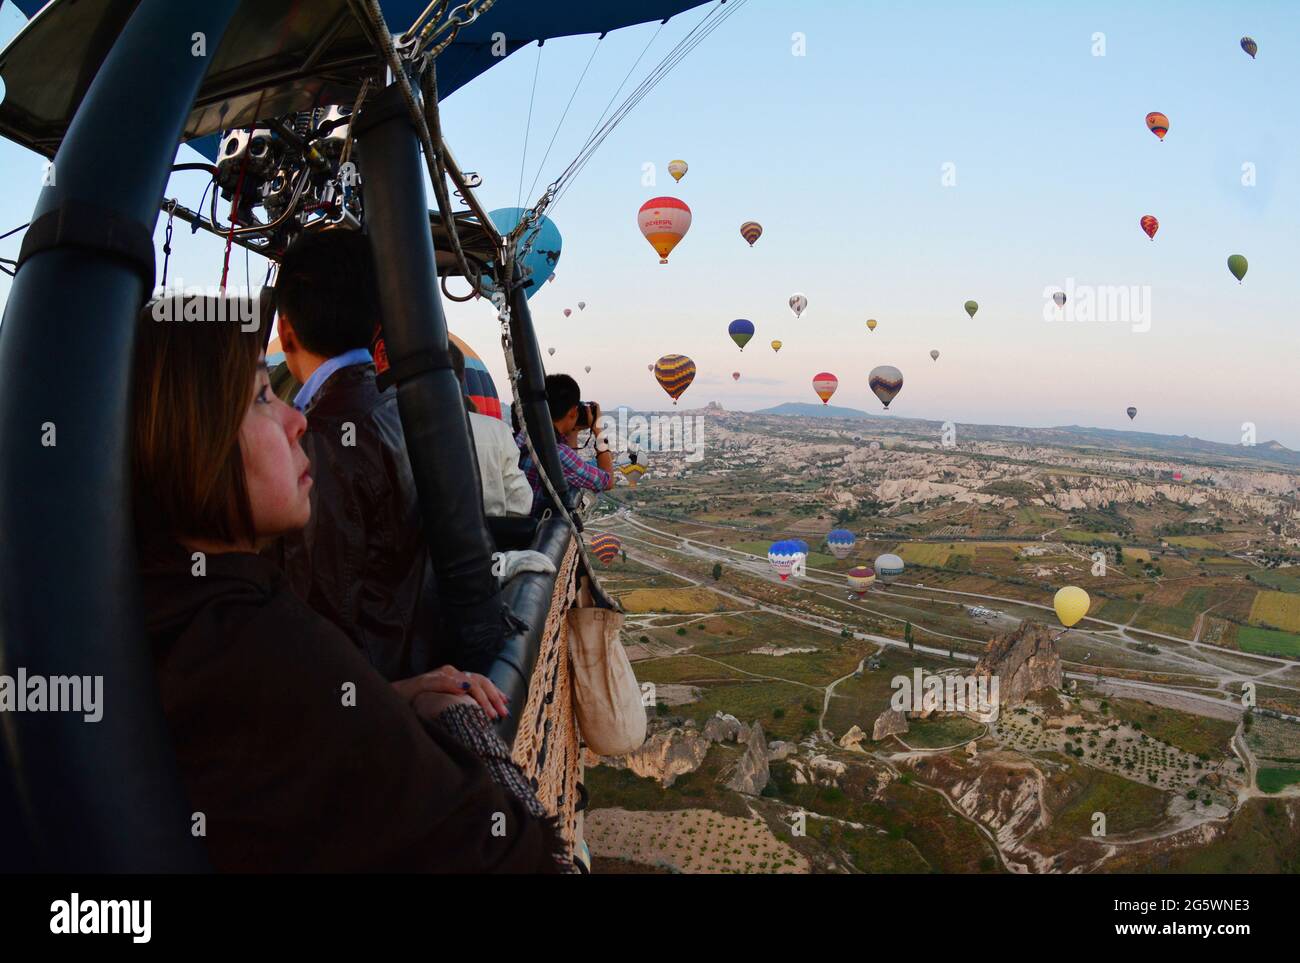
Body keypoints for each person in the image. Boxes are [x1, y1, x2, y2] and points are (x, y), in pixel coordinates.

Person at [131, 296, 563, 872]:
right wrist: (461, 724)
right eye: (261, 397)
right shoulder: (267, 646)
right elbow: (516, 856)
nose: (295, 418)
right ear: (190, 439)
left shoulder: (167, 613)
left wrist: (387, 697)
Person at [271, 228, 440, 681]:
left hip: (368, 689)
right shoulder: (398, 409)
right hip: (409, 659)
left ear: (284, 331)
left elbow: (324, 612)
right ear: (378, 326)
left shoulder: (321, 435)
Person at [449, 342, 532, 517]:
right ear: (462, 377)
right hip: (490, 538)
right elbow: (521, 502)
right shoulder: (498, 431)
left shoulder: (393, 430)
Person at [517, 373, 613, 514]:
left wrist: (573, 431)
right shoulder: (558, 453)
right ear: (573, 411)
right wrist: (598, 430)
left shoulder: (523, 435)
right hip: (539, 528)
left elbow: (568, 471)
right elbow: (607, 481)